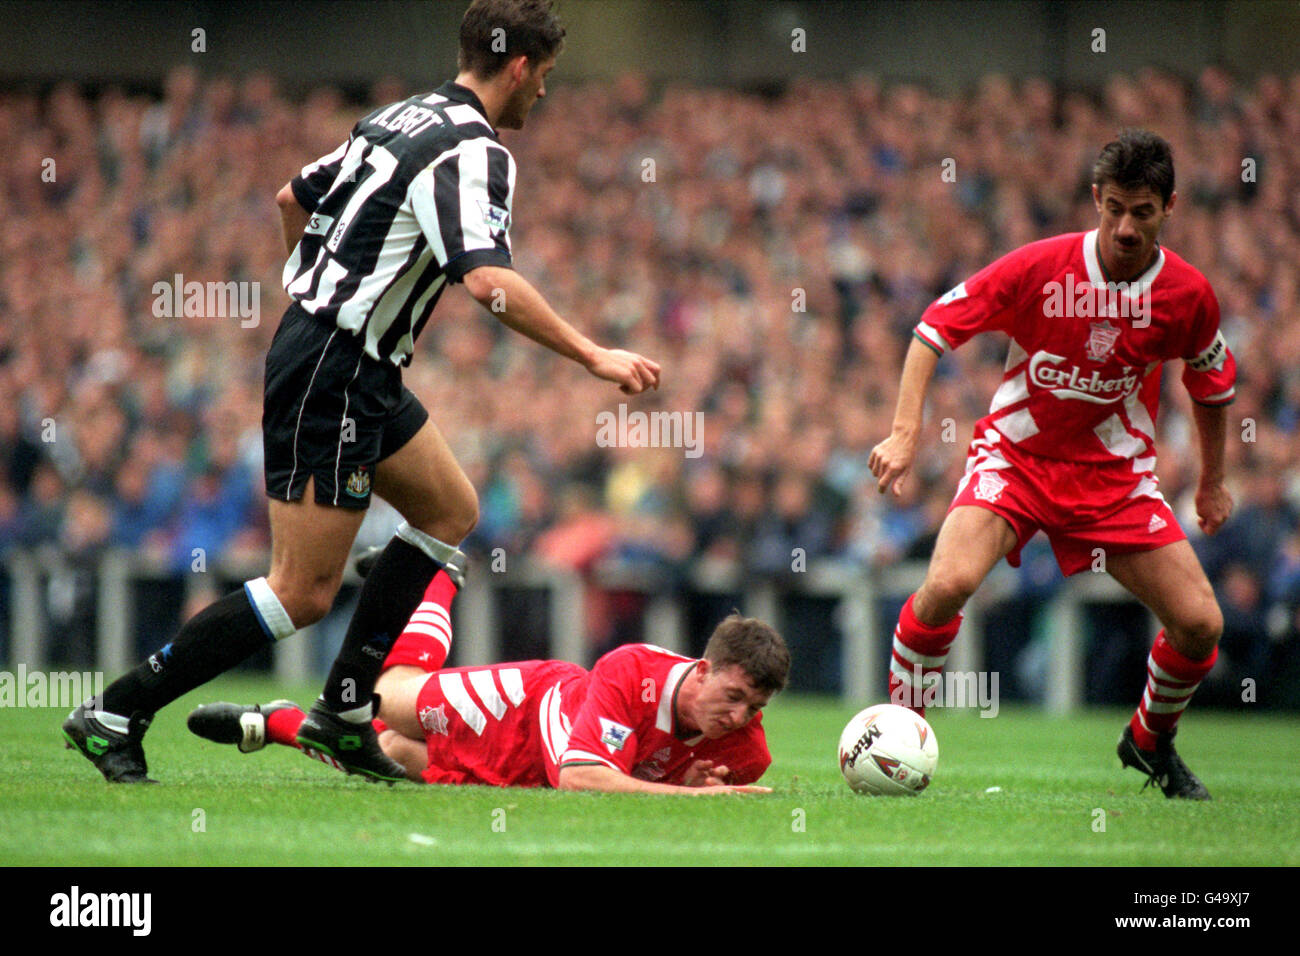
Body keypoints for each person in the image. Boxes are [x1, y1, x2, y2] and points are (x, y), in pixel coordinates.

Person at [64, 0, 660, 783]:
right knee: (302, 592)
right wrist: (592, 354)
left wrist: (310, 289)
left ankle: (344, 712)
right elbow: (488, 281)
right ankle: (117, 710)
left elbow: (292, 198)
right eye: (544, 75)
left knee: (448, 511)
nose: (544, 91)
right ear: (519, 67)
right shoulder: (476, 149)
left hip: (350, 361)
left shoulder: (397, 117)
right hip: (336, 367)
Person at [868, 129, 1235, 800]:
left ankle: (1149, 740)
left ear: (1170, 207)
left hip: (1115, 480)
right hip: (1016, 460)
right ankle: (899, 732)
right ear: (1096, 198)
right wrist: (903, 433)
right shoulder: (1041, 267)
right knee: (948, 583)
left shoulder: (1187, 294)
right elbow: (932, 328)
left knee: (1200, 625)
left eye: (1142, 212)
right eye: (1114, 208)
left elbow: (1211, 386)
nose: (1125, 228)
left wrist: (1211, 482)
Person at [188, 585, 788, 794]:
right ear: (703, 670)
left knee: (388, 753)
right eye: (734, 697)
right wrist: (688, 797)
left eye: (755, 708)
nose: (740, 718)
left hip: (528, 773)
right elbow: (582, 778)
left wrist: (689, 785)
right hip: (522, 706)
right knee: (390, 694)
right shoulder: (632, 669)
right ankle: (437, 577)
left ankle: (274, 725)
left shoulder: (746, 754)